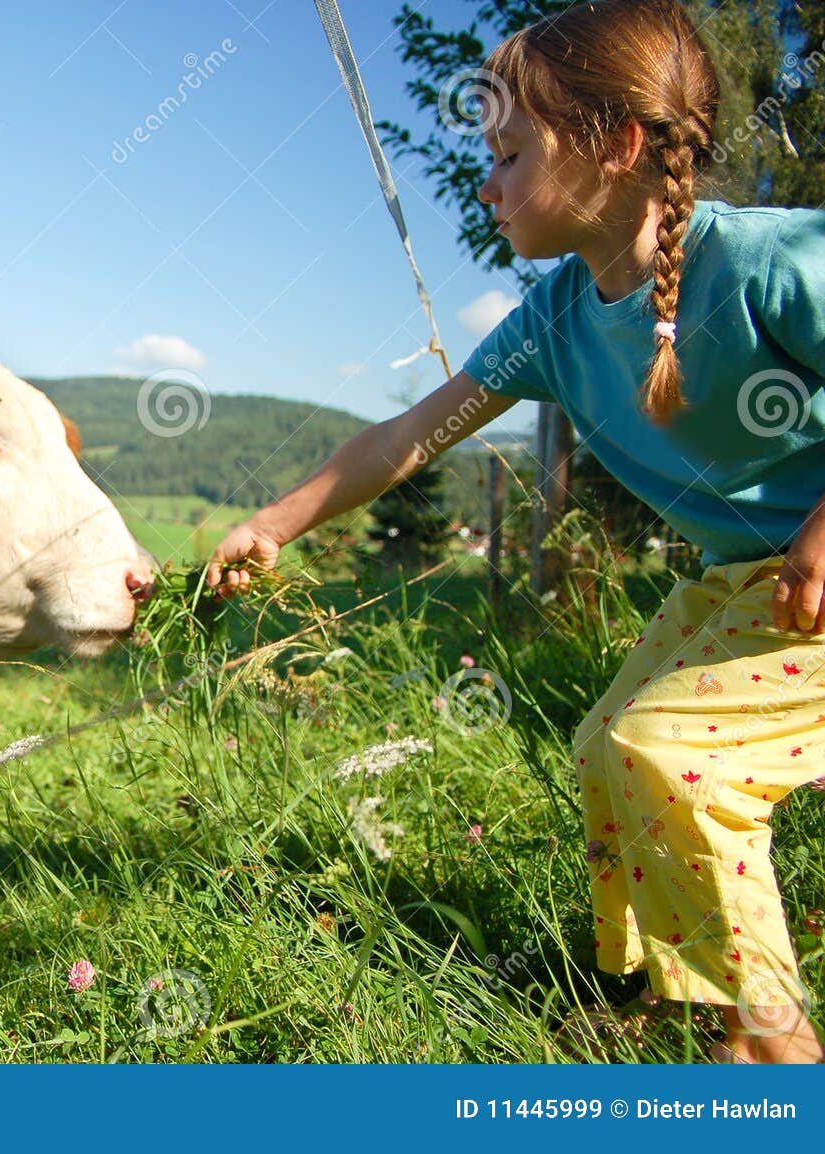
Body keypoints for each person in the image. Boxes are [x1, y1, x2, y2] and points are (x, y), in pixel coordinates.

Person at [207, 0, 824, 1063]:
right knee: (606, 747)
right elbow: (409, 434)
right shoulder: (556, 320)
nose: (486, 183)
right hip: (742, 584)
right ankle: (665, 986)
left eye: (505, 152)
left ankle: (773, 1047)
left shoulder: (769, 261)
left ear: (615, 145)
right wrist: (278, 519)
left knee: (669, 754)